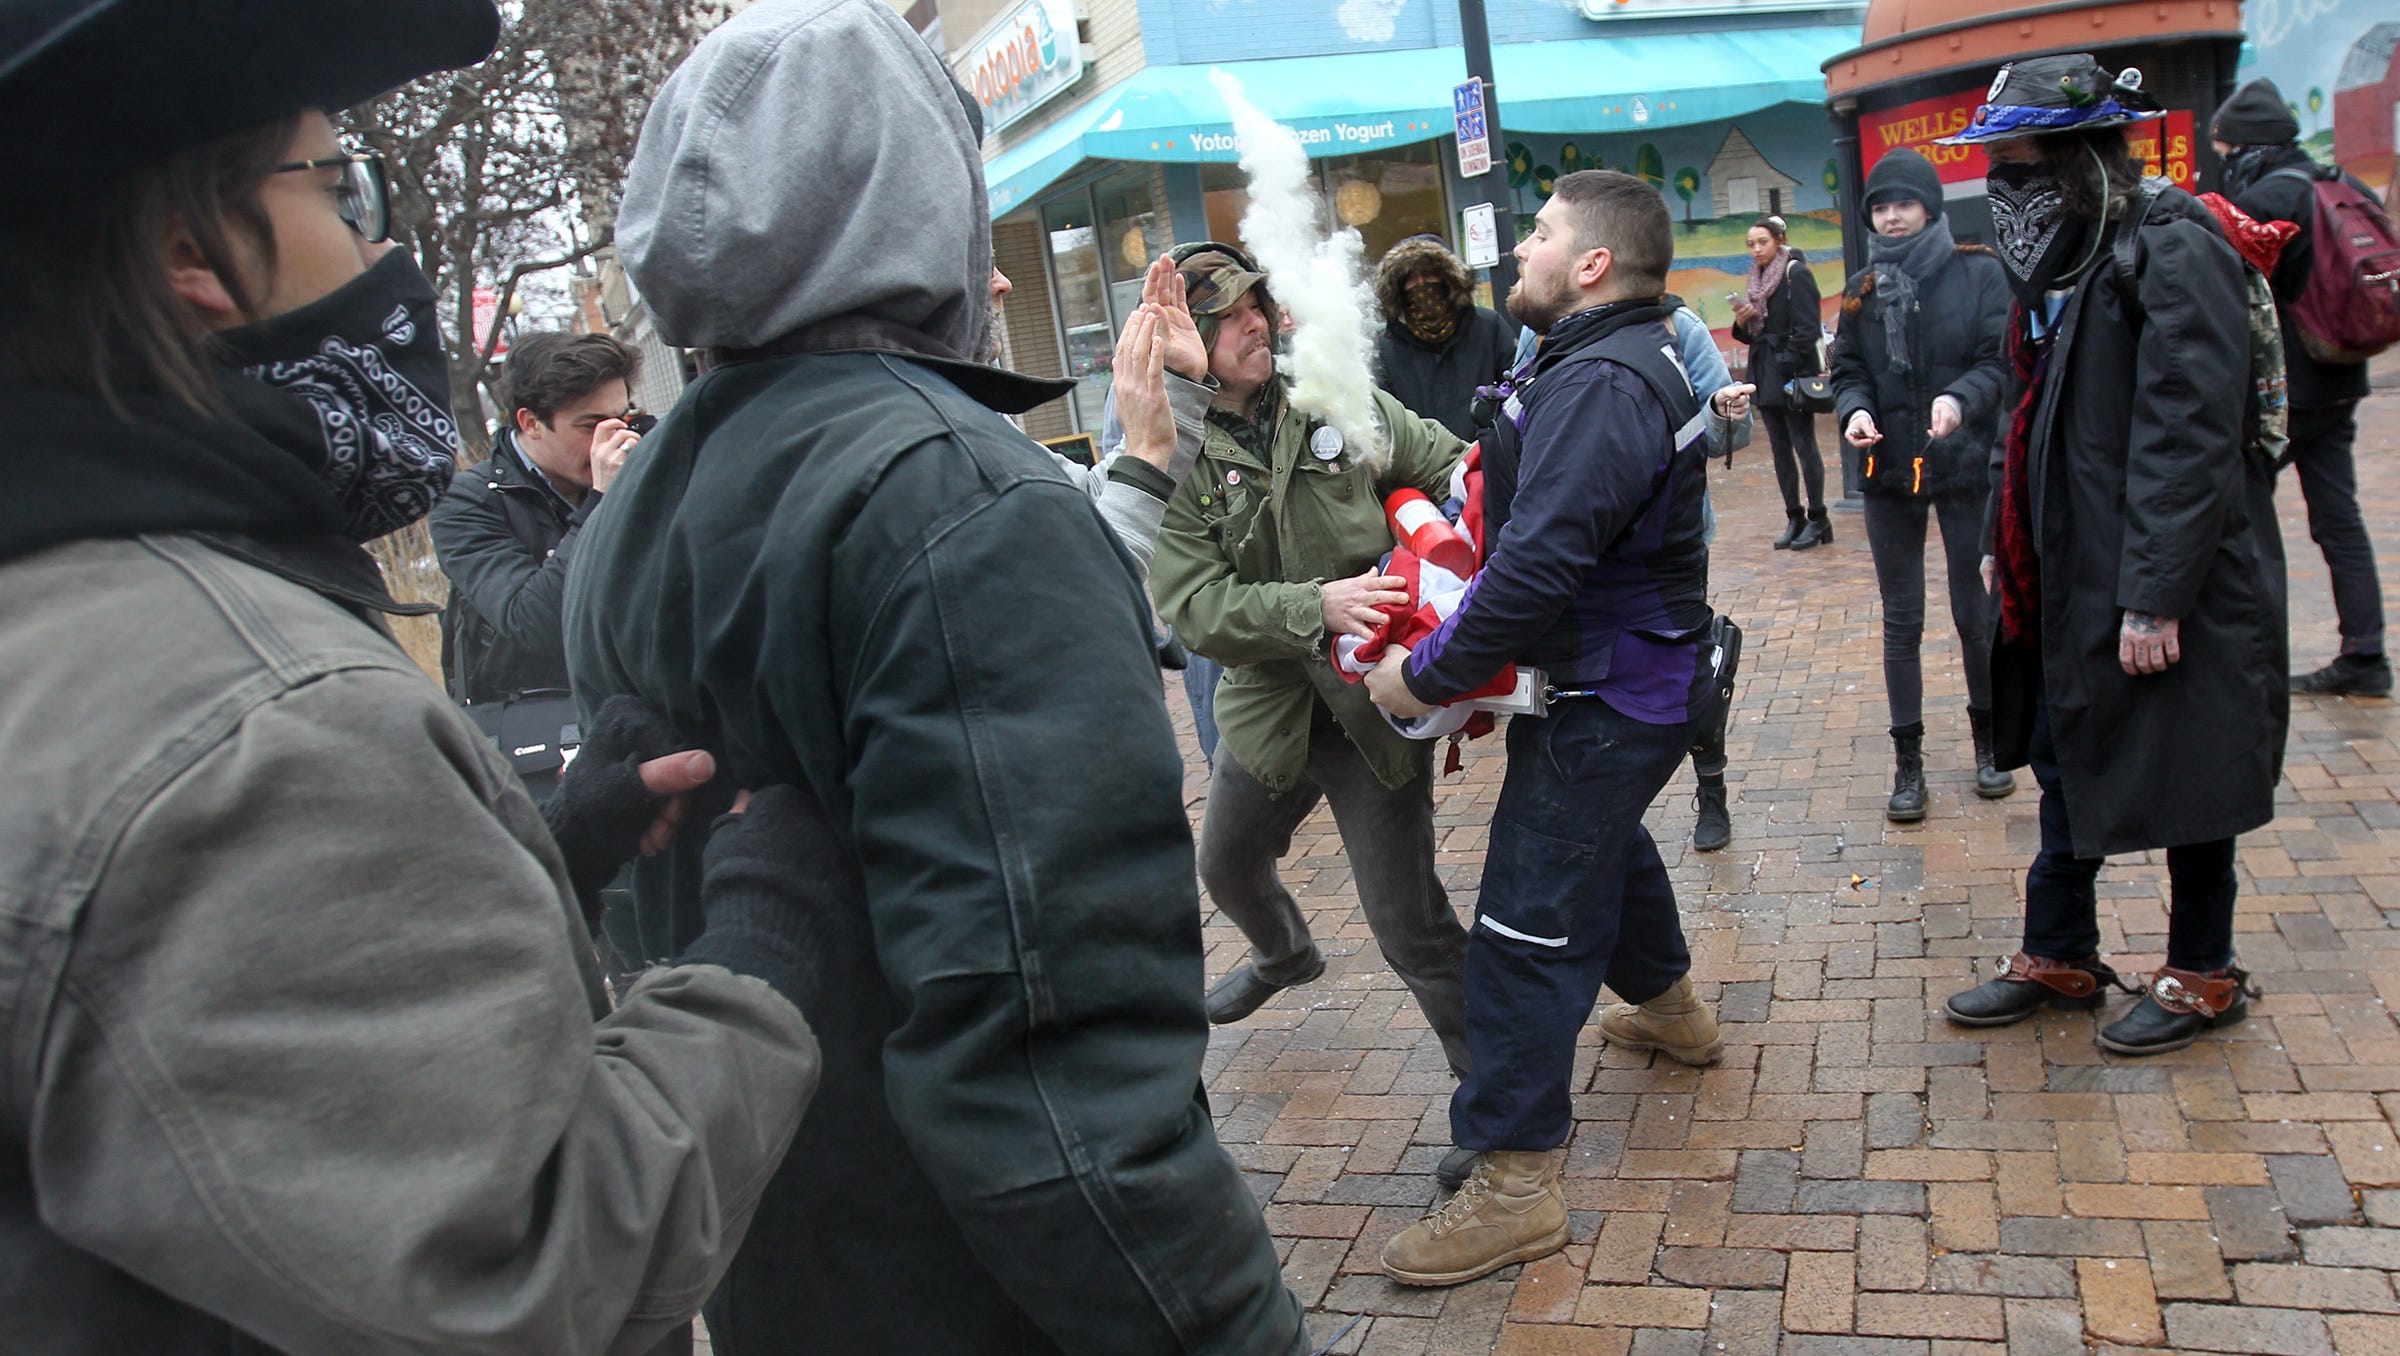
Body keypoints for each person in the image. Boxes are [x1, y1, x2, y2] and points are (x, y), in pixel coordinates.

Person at [0, 2, 837, 1351]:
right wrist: (767, 930)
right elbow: (532, 1262)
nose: (376, 245)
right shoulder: (253, 723)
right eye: (339, 185)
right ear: (185, 251)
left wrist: (541, 854)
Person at [562, 3, 1307, 1352]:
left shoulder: (633, 507)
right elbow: (1055, 1067)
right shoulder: (961, 500)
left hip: (789, 1258)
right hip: (970, 1290)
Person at [1365, 170, 1723, 1284]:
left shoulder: (1607, 382)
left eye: (1542, 231)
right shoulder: (1602, 356)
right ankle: (1672, 1012)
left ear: (1593, 265)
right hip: (1626, 687)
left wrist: (1424, 678)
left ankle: (1516, 1181)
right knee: (1602, 843)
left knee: (1526, 923)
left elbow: (1540, 565)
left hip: (1613, 693)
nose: (1520, 246)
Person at [1934, 55, 2287, 1056]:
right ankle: (2061, 952)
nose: (1999, 182)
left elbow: (2190, 432)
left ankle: (2204, 973)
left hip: (2169, 575)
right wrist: (2012, 538)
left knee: (2188, 766)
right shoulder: (2064, 258)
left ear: (2078, 157)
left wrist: (2156, 597)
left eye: (2015, 161)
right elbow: (2031, 414)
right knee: (2064, 751)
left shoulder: (2170, 245)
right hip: (2070, 563)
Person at [1149, 240, 1482, 1157]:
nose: (1253, 321)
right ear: (1185, 344)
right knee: (1224, 867)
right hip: (1269, 719)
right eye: (1224, 317)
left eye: (1255, 303)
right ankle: (1286, 954)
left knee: (1410, 930)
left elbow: (1450, 460)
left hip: (1370, 712)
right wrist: (1313, 604)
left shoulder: (1329, 393)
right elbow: (1192, 606)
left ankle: (1494, 1097)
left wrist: (1473, 516)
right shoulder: (1176, 450)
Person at [1830, 147, 2018, 821]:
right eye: (1881, 206)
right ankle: (1908, 763)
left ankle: (1990, 743)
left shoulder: (1977, 273)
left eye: (1903, 203)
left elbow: (1997, 362)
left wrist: (1959, 400)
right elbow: (1847, 371)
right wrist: (1854, 410)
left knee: (1976, 613)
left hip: (1961, 466)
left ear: (1930, 206)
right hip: (1888, 472)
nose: (1892, 216)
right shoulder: (1861, 288)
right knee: (1901, 619)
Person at [2214, 77, 2391, 697]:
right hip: (2343, 374)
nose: (2223, 159)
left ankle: (2247, 659)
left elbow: (2231, 286)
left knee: (2240, 517)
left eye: (2226, 148)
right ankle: (2365, 655)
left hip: (2286, 388)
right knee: (2339, 519)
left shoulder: (2269, 196)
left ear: (2245, 145)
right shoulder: (2339, 182)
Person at [431, 331, 642, 800]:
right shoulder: (466, 504)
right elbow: (535, 623)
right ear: (530, 422)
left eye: (622, 418)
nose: (616, 439)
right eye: (592, 426)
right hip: (547, 739)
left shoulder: (641, 469)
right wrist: (602, 503)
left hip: (648, 715)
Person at [1733, 213, 1831, 549]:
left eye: (1762, 242)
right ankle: (1795, 516)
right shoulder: (1755, 281)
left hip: (1790, 374)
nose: (1756, 250)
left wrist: (1786, 363)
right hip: (1764, 372)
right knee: (1779, 450)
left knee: (1804, 446)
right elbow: (1755, 334)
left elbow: (1807, 328)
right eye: (1751, 244)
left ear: (1778, 241)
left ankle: (1819, 518)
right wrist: (1743, 321)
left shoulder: (1795, 274)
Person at [1374, 232, 1519, 439]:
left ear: (1448, 277)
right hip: (1424, 467)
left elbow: (1517, 391)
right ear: (1398, 288)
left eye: (1428, 273)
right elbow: (1385, 422)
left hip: (1487, 459)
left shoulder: (1488, 327)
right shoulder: (1389, 349)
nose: (1421, 283)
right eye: (1411, 278)